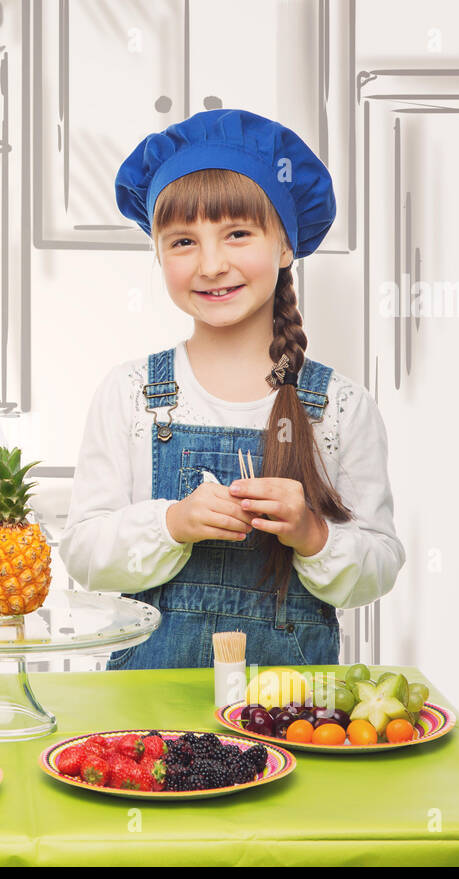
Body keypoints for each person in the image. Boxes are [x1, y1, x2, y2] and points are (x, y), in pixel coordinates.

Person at [60, 108, 405, 669]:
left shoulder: (339, 407)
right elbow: (83, 554)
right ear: (157, 253)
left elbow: (380, 566)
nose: (212, 264)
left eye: (238, 234)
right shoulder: (131, 393)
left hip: (289, 721)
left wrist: (312, 533)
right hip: (149, 720)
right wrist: (172, 526)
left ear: (286, 246)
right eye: (182, 242)